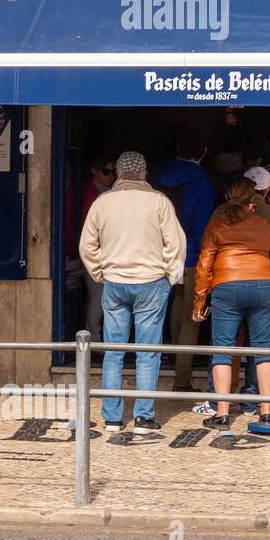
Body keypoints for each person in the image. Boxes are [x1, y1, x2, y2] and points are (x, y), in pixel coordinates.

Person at [79, 151, 186, 434]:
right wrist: (171, 276)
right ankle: (143, 417)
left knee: (113, 352)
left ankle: (112, 418)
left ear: (118, 173)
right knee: (147, 353)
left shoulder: (103, 202)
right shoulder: (159, 202)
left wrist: (99, 273)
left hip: (114, 282)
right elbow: (175, 244)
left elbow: (86, 245)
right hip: (151, 282)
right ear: (144, 173)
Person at [192, 176, 270, 431]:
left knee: (223, 350)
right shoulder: (267, 224)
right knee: (264, 351)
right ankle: (267, 411)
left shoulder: (217, 224)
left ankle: (222, 413)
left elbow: (204, 264)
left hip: (227, 286)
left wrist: (200, 301)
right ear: (254, 197)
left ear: (228, 197)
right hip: (264, 286)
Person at [155, 130, 215, 392]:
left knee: (171, 314)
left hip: (162, 255)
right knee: (191, 317)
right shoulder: (202, 182)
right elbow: (203, 226)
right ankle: (181, 380)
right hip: (191, 256)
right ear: (203, 152)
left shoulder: (159, 177)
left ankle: (166, 361)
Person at [78, 154, 116, 342]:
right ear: (94, 171)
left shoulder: (101, 193)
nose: (110, 176)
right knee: (98, 298)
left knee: (94, 297)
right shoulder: (92, 194)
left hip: (100, 252)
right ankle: (94, 339)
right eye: (106, 171)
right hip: (95, 252)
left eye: (113, 172)